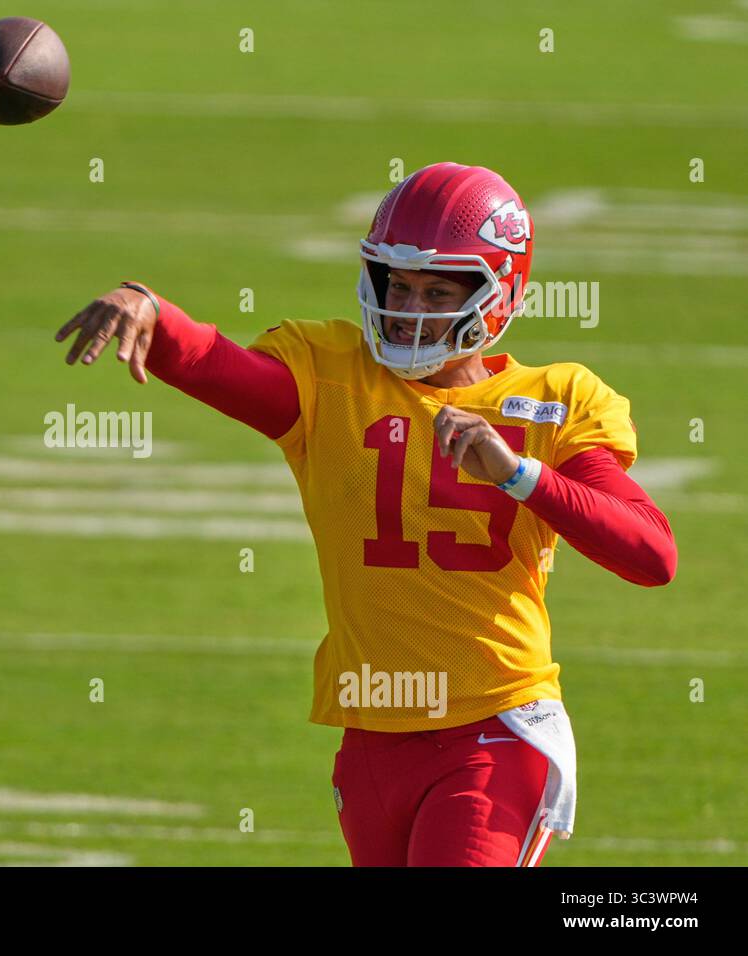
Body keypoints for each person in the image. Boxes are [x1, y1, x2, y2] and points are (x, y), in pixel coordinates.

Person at [53, 162, 677, 866]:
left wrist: (520, 475)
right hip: (371, 734)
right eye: (397, 285)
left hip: (495, 728)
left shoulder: (555, 400)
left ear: (501, 294)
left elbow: (651, 554)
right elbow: (217, 366)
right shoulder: (330, 374)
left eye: (437, 290)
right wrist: (151, 309)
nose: (409, 308)